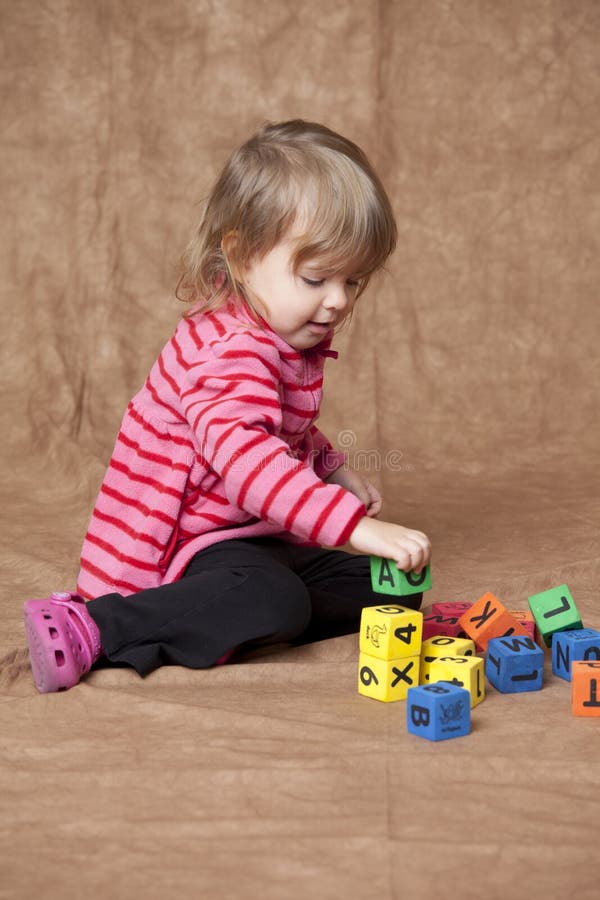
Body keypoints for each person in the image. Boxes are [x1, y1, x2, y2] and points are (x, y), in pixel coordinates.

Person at [23, 119, 431, 693]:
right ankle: (94, 627)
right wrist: (355, 529)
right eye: (315, 277)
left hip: (247, 537)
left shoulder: (273, 336)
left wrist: (332, 467)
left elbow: (282, 428)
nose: (337, 301)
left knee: (394, 589)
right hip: (181, 551)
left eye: (354, 281)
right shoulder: (230, 353)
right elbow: (249, 465)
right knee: (274, 597)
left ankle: (248, 618)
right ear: (241, 259)